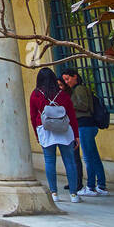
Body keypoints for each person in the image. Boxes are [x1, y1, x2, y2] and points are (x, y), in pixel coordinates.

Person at [31, 67, 80, 203]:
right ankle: (74, 194)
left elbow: (33, 115)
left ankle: (54, 193)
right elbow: (72, 115)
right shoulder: (62, 94)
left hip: (45, 130)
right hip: (64, 130)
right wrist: (76, 135)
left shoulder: (36, 94)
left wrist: (36, 133)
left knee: (49, 162)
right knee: (69, 162)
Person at [62, 66, 108, 196]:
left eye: (68, 78)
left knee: (88, 157)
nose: (66, 82)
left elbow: (84, 105)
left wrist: (69, 106)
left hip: (85, 124)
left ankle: (91, 186)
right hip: (87, 125)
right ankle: (101, 185)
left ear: (75, 76)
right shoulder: (76, 90)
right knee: (93, 156)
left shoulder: (80, 89)